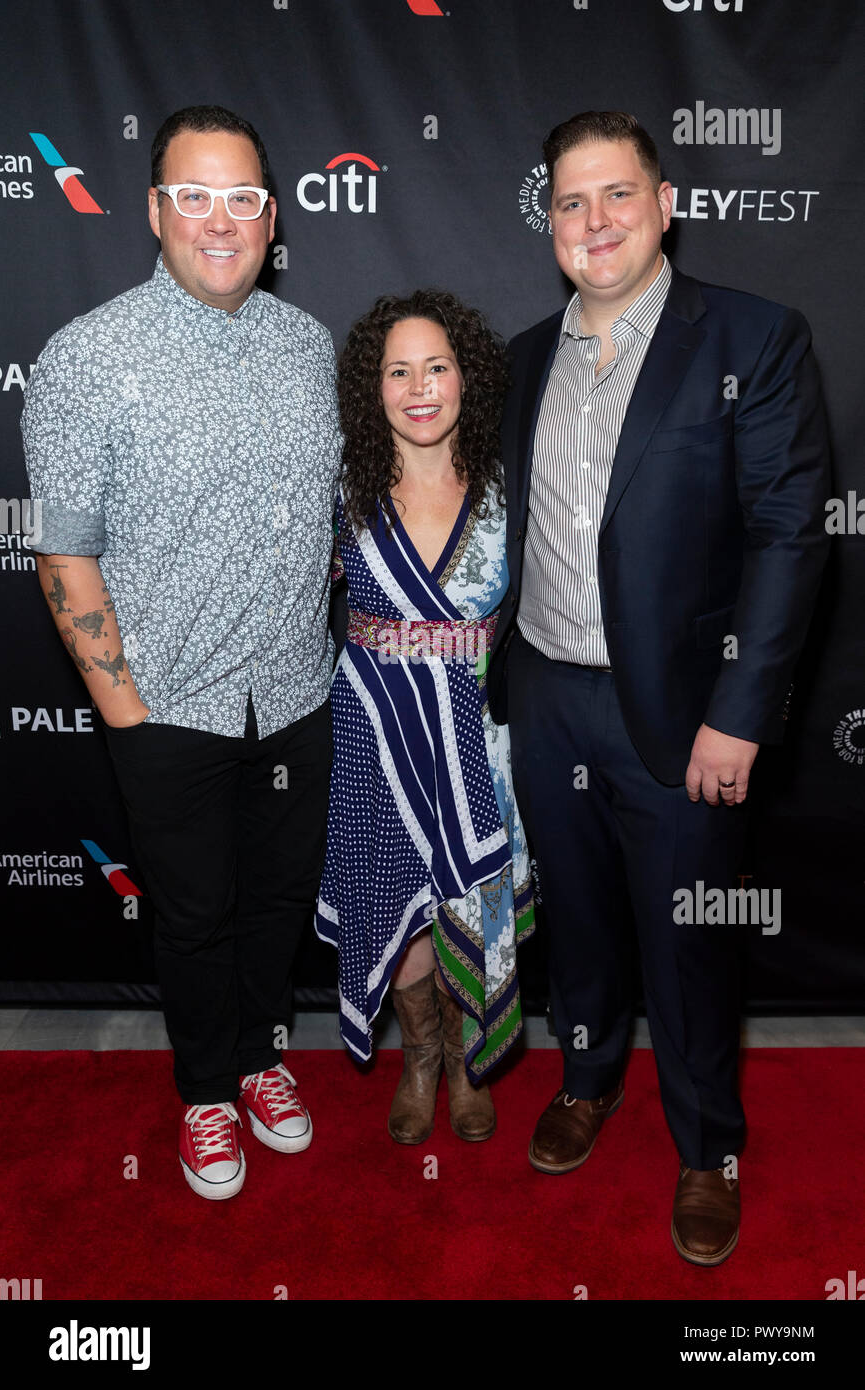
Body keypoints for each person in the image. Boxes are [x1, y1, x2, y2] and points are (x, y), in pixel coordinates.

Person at [488, 112, 830, 1263]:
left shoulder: (753, 336)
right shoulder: (522, 355)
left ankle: (704, 1150)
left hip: (682, 716)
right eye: (570, 203)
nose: (593, 222)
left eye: (615, 196)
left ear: (664, 202)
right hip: (544, 696)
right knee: (575, 923)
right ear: (548, 223)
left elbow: (788, 535)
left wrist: (738, 716)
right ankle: (585, 1078)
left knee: (686, 942)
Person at [22, 105, 340, 1201]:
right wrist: (125, 710)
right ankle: (206, 1088)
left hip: (298, 693)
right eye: (194, 196)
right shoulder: (88, 357)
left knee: (274, 903)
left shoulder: (309, 349)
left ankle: (260, 1055)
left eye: (242, 198)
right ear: (156, 211)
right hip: (167, 708)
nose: (220, 221)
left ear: (269, 215)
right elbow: (63, 553)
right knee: (194, 912)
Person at [315, 290, 535, 1144]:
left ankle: (473, 1060)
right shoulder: (342, 489)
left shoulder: (507, 489)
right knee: (394, 908)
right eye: (397, 369)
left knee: (463, 904)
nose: (418, 386)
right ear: (373, 389)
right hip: (372, 730)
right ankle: (420, 1060)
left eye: (436, 366)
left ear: (465, 377)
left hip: (477, 736)